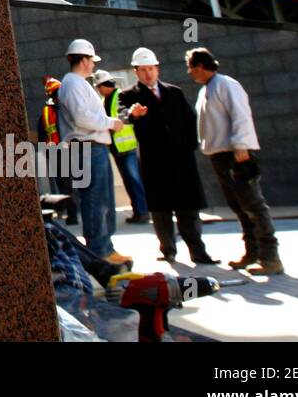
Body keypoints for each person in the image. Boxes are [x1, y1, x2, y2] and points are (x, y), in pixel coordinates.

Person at [186, 47, 284, 275]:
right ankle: (253, 252)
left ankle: (271, 257)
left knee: (253, 205)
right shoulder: (207, 89)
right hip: (220, 155)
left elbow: (240, 114)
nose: (190, 72)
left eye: (191, 67)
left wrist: (241, 146)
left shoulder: (226, 84)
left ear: (200, 66)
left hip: (235, 154)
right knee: (239, 206)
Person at [117, 48, 217, 265]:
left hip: (181, 158)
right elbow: (122, 115)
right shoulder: (129, 96)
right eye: (143, 70)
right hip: (155, 160)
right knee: (161, 208)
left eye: (151, 69)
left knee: (187, 207)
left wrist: (190, 146)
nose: (148, 74)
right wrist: (132, 114)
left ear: (157, 69)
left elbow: (191, 121)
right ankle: (168, 249)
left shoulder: (174, 92)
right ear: (136, 72)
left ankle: (198, 251)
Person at [55, 39, 131, 265]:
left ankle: (105, 247)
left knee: (102, 199)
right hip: (87, 147)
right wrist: (110, 122)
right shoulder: (72, 83)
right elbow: (83, 118)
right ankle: (99, 251)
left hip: (93, 147)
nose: (92, 65)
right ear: (84, 60)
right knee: (95, 200)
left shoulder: (78, 83)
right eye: (90, 60)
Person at [93, 69, 149, 225]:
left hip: (129, 147)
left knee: (135, 181)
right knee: (129, 183)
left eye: (99, 87)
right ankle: (138, 211)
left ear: (105, 85)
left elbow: (124, 119)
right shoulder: (105, 101)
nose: (99, 90)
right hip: (118, 149)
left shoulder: (120, 96)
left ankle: (143, 212)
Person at [38, 76, 78, 224]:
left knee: (66, 186)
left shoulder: (49, 111)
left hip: (61, 153)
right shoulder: (64, 109)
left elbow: (42, 135)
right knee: (70, 186)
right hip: (64, 153)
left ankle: (71, 214)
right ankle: (72, 214)